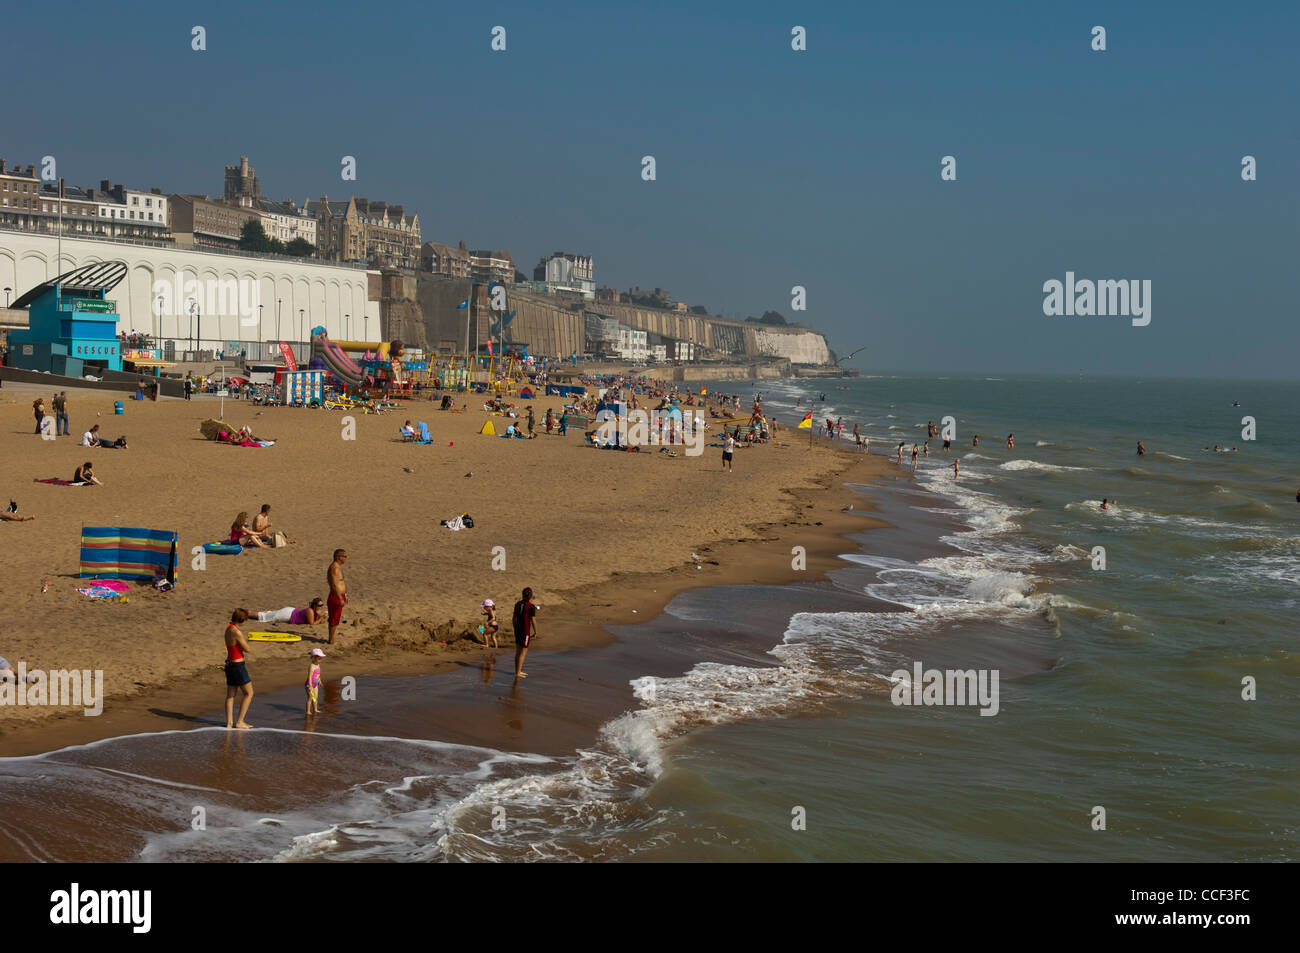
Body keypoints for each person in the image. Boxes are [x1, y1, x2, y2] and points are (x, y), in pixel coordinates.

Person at [224, 609, 254, 729]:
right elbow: (247, 649)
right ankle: (240, 721)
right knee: (249, 693)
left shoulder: (228, 628)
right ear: (242, 620)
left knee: (231, 695)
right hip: (237, 665)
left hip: (229, 664)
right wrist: (247, 643)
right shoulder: (236, 631)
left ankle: (229, 723)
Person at [512, 587, 538, 679]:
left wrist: (515, 628)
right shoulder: (531, 606)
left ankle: (517, 671)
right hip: (525, 632)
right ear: (531, 596)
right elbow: (533, 620)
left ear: (522, 595)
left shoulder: (517, 604)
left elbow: (514, 618)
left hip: (517, 630)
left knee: (518, 652)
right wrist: (535, 632)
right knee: (523, 652)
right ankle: (518, 673)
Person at [327, 549, 348, 644]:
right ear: (339, 557)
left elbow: (341, 582)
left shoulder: (337, 567)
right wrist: (340, 598)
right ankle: (331, 640)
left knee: (336, 618)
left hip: (339, 595)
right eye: (344, 556)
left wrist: (345, 595)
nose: (346, 558)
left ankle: (332, 638)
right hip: (336, 596)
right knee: (334, 618)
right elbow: (334, 585)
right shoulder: (334, 568)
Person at [256, 598, 326, 625]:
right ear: (314, 605)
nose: (321, 607)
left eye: (322, 605)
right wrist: (321, 617)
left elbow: (318, 622)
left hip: (291, 612)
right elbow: (312, 624)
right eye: (319, 605)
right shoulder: (310, 611)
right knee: (263, 617)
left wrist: (321, 617)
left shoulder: (315, 611)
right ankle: (248, 613)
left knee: (270, 614)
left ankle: (267, 612)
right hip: (288, 614)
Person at [305, 648, 325, 716]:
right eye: (319, 658)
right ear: (313, 658)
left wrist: (320, 681)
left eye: (321, 658)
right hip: (309, 685)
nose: (320, 660)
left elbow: (318, 674)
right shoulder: (312, 666)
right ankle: (308, 711)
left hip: (315, 684)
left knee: (315, 697)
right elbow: (309, 677)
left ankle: (315, 709)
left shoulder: (318, 665)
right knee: (310, 698)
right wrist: (310, 686)